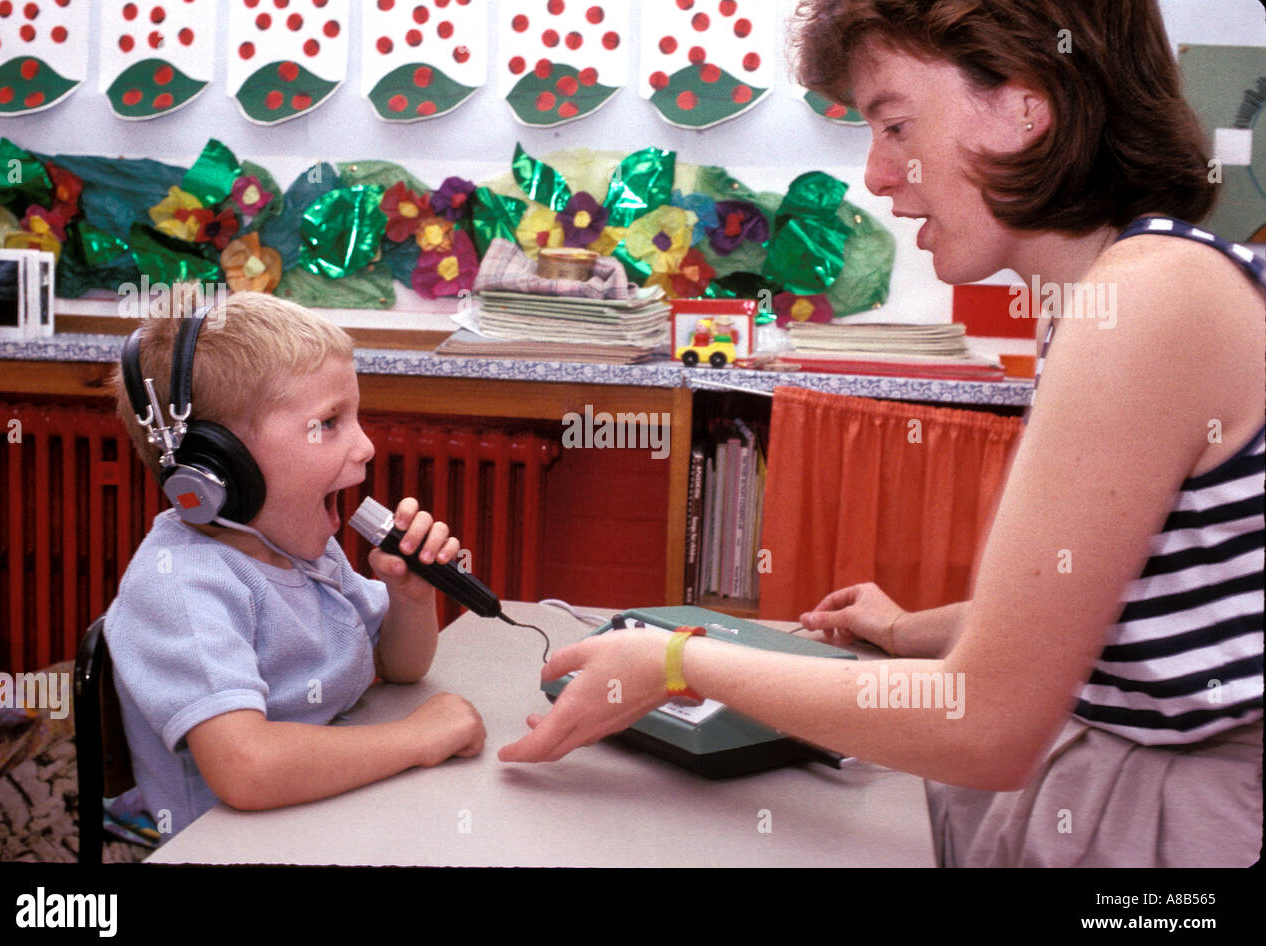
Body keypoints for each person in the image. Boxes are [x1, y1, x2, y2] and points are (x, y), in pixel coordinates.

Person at [500, 0, 1264, 867]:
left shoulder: (1150, 300)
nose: (874, 175)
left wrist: (677, 663)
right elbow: (1127, 609)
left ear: (1028, 101)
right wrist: (913, 632)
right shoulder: (1121, 288)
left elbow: (983, 722)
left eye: (896, 124)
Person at [105, 290, 485, 842]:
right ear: (216, 467)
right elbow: (247, 769)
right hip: (235, 846)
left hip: (329, 816)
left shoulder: (297, 546)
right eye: (328, 423)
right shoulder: (182, 589)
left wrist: (410, 597)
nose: (367, 447)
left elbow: (402, 668)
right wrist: (417, 739)